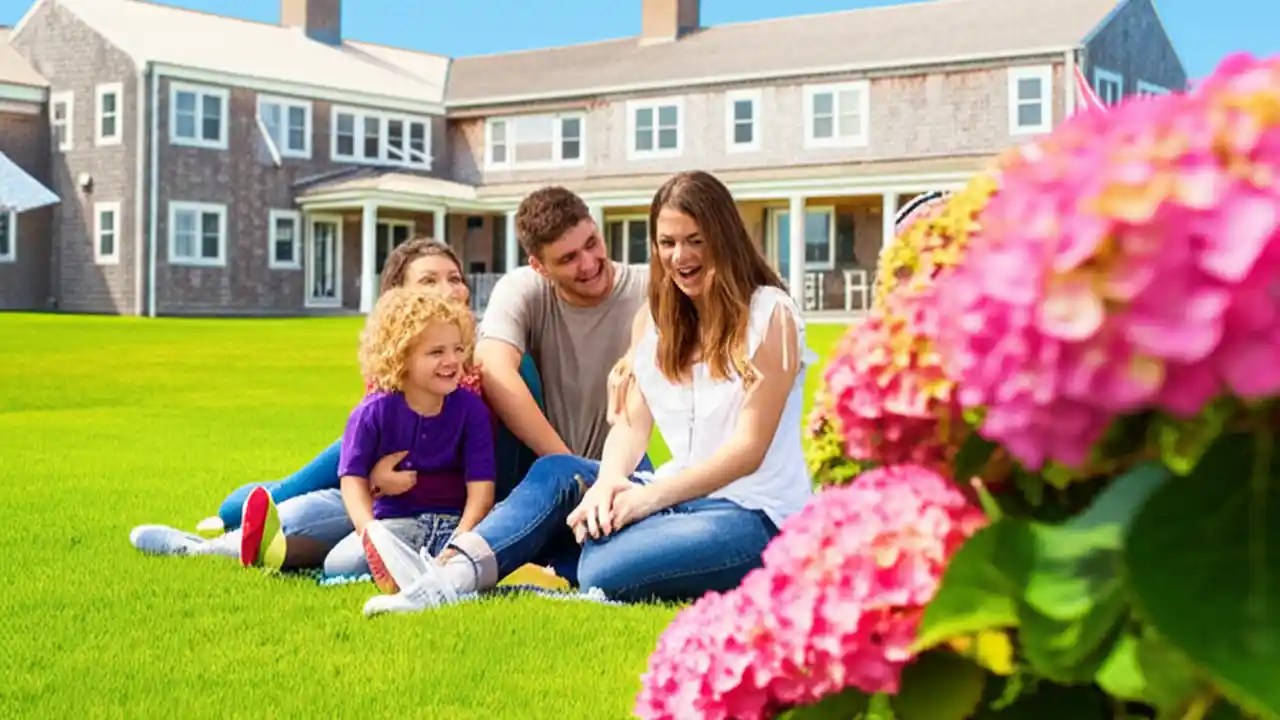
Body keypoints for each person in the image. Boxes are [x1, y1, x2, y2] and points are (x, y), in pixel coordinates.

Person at [359, 170, 816, 616]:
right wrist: (608, 482)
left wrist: (649, 499)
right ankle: (447, 577)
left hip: (755, 516)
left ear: (725, 235)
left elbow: (748, 450)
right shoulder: (661, 317)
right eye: (667, 243)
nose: (680, 256)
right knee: (558, 471)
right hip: (677, 497)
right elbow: (632, 423)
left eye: (695, 240)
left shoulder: (770, 315)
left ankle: (536, 566)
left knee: (605, 565)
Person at [128, 239, 494, 578]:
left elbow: (485, 472)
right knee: (288, 512)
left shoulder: (484, 362)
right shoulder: (386, 388)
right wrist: (371, 487)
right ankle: (205, 546)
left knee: (316, 533)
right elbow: (362, 455)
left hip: (433, 508)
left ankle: (261, 530)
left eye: (455, 278)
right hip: (376, 499)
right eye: (429, 280)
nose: (448, 289)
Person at [469, 185, 654, 580]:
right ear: (539, 266)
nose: (589, 263)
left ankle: (486, 561)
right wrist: (566, 463)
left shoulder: (649, 289)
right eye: (569, 258)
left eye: (592, 243)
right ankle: (459, 567)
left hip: (623, 463)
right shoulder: (524, 290)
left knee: (613, 556)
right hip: (543, 474)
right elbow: (492, 367)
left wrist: (598, 478)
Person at [335, 286, 495, 595]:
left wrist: (461, 540)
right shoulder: (372, 413)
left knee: (482, 556)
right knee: (341, 563)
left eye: (458, 349)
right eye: (437, 352)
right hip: (397, 525)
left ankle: (432, 571)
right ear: (401, 357)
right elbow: (352, 480)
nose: (452, 361)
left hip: (454, 525)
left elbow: (482, 490)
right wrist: (369, 533)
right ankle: (412, 570)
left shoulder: (471, 410)